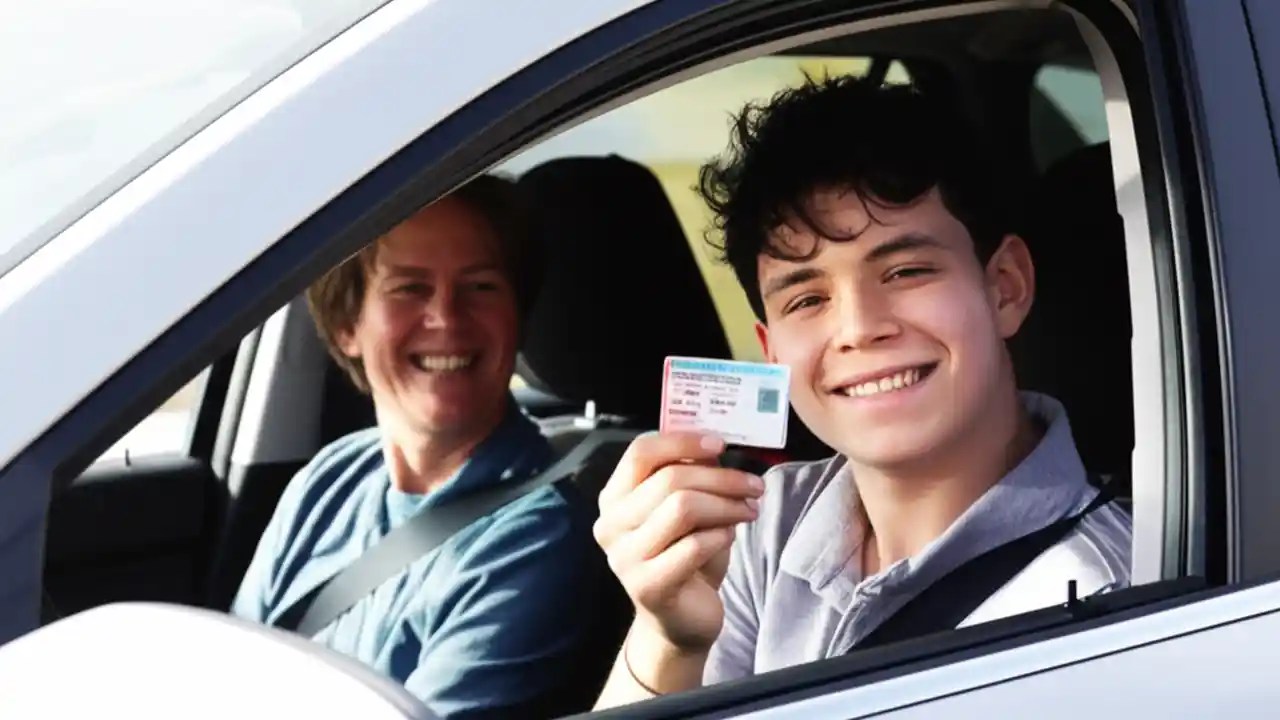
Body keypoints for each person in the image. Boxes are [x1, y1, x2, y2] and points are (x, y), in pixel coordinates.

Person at [591, 75, 1133, 706]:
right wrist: (669, 641)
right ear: (772, 354)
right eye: (808, 298)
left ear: (1005, 287)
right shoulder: (767, 523)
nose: (859, 328)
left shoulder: (1104, 601)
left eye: (905, 271)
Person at [231, 174, 594, 718]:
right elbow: (230, 677)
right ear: (347, 324)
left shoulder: (533, 535)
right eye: (409, 288)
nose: (446, 317)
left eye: (480, 286)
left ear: (516, 320)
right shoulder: (329, 479)